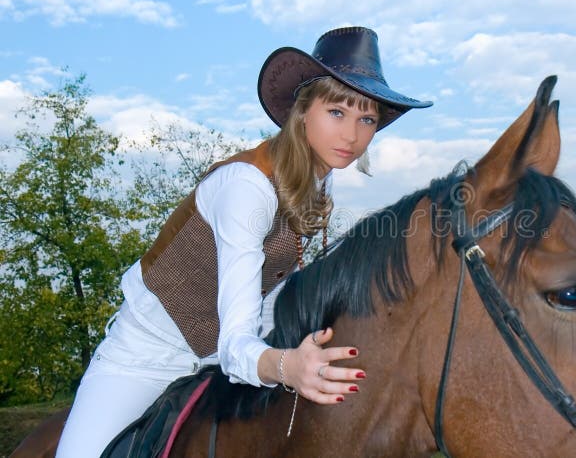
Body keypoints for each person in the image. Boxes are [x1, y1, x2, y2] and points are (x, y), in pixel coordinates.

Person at [55, 26, 433, 457]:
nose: (352, 134)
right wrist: (290, 367)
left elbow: (269, 290)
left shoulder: (321, 183)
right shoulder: (246, 186)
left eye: (366, 119)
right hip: (147, 354)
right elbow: (234, 344)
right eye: (336, 113)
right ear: (302, 111)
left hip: (225, 359)